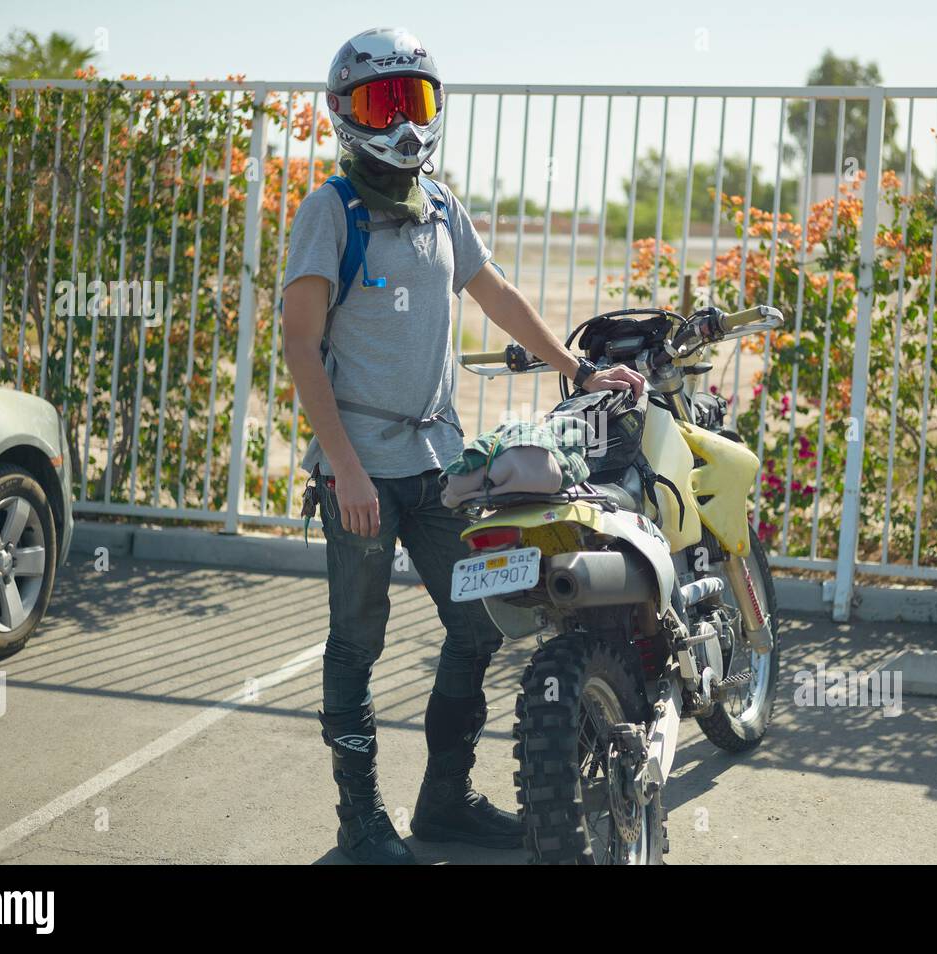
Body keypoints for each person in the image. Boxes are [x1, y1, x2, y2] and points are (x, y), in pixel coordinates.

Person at [281, 26, 644, 865]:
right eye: (384, 103)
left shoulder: (441, 205)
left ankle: (443, 801)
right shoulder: (329, 213)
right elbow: (301, 347)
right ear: (345, 114)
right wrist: (344, 467)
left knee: (482, 621)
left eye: (418, 101)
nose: (405, 122)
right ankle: (359, 820)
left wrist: (575, 366)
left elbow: (496, 291)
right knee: (356, 642)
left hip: (439, 467)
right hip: (361, 473)